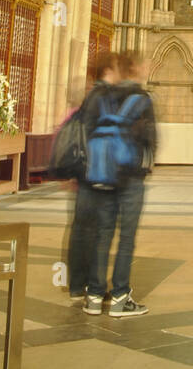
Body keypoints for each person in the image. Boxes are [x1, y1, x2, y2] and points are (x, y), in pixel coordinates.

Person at [83, 51, 157, 318]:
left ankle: (93, 296)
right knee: (126, 239)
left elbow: (86, 130)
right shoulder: (142, 99)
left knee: (102, 235)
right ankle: (119, 298)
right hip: (131, 177)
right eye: (145, 64)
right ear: (134, 69)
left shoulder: (102, 96)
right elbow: (150, 140)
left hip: (102, 176)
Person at [67, 52, 121, 303]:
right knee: (96, 230)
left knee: (83, 229)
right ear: (109, 70)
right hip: (95, 173)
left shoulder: (92, 96)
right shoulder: (103, 97)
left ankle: (79, 285)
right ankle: (91, 286)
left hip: (86, 172)